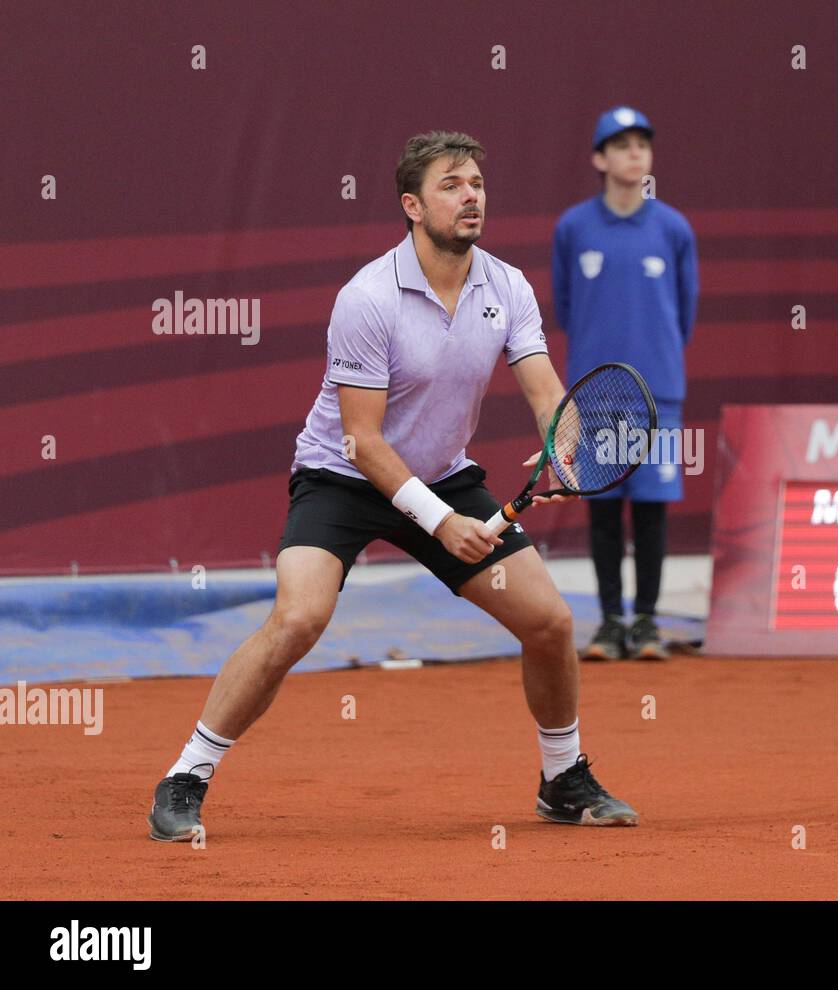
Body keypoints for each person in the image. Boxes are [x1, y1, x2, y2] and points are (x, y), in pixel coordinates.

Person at [147, 131, 639, 842]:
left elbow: (546, 395)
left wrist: (561, 450)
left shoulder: (505, 285)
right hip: (342, 478)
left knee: (550, 622)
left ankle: (562, 778)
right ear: (412, 205)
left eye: (476, 183)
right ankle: (187, 774)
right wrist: (440, 523)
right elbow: (363, 441)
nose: (471, 196)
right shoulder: (367, 298)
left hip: (442, 472)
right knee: (298, 619)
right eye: (451, 185)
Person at [551, 106, 699, 661]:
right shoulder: (573, 228)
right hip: (595, 397)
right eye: (622, 144)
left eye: (642, 144)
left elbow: (684, 313)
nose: (635, 153)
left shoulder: (673, 228)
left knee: (654, 509)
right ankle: (611, 623)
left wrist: (654, 365)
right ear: (599, 158)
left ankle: (648, 624)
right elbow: (568, 309)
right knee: (605, 508)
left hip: (657, 395)